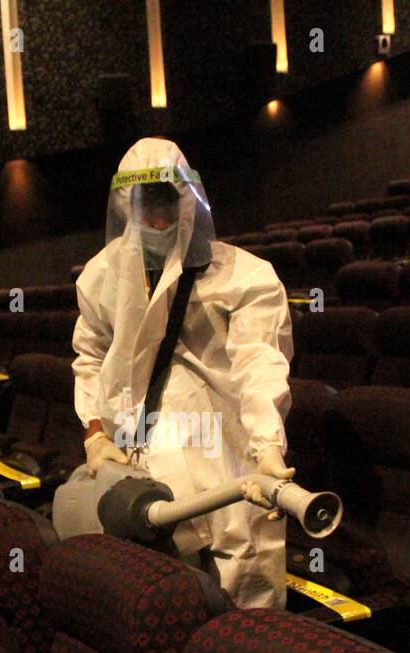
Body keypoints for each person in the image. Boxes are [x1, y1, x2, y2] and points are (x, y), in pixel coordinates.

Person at [72, 137, 294, 609]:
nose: (156, 223)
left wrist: (268, 446)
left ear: (188, 204)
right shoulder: (101, 278)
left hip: (226, 450)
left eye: (167, 207)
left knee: (245, 574)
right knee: (159, 594)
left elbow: (260, 363)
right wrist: (95, 432)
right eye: (144, 208)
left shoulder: (245, 277)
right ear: (123, 206)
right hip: (140, 450)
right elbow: (89, 357)